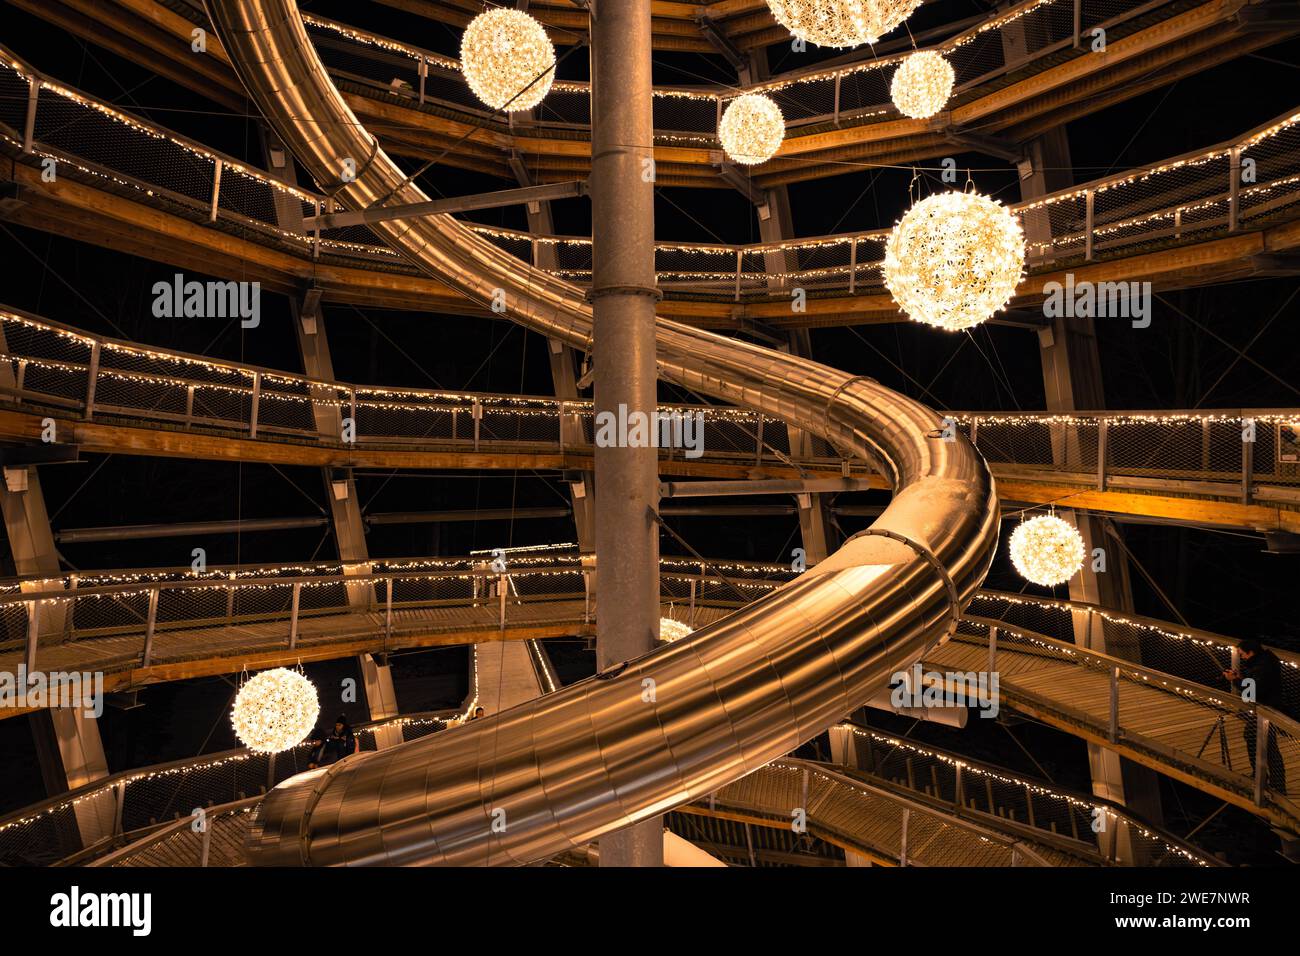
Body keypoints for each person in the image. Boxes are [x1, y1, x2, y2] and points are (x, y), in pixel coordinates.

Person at [1224, 638, 1287, 795]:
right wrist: (1240, 678)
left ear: (1250, 652)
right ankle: (1262, 776)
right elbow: (1254, 686)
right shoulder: (1264, 661)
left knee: (1268, 746)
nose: (1241, 657)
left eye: (1242, 654)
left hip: (1267, 709)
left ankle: (1277, 785)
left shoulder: (1261, 667)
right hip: (1266, 707)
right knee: (1252, 736)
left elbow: (1251, 693)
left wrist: (1235, 681)